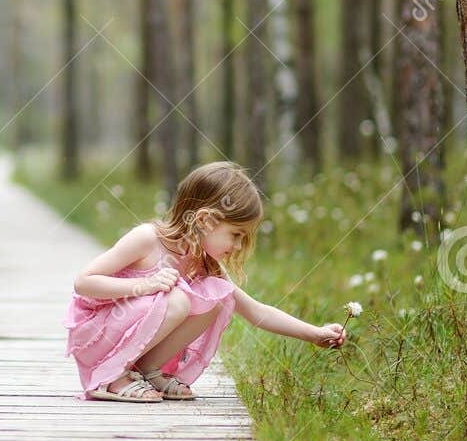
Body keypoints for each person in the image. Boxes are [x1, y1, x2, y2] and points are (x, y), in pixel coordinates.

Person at [64, 161, 346, 402]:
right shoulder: (148, 239)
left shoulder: (204, 264)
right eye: (235, 234)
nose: (237, 246)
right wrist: (144, 286)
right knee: (178, 298)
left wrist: (314, 333)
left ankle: (148, 370)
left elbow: (257, 312)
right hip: (98, 334)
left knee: (219, 295)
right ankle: (113, 377)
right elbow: (84, 283)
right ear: (205, 220)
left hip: (126, 336)